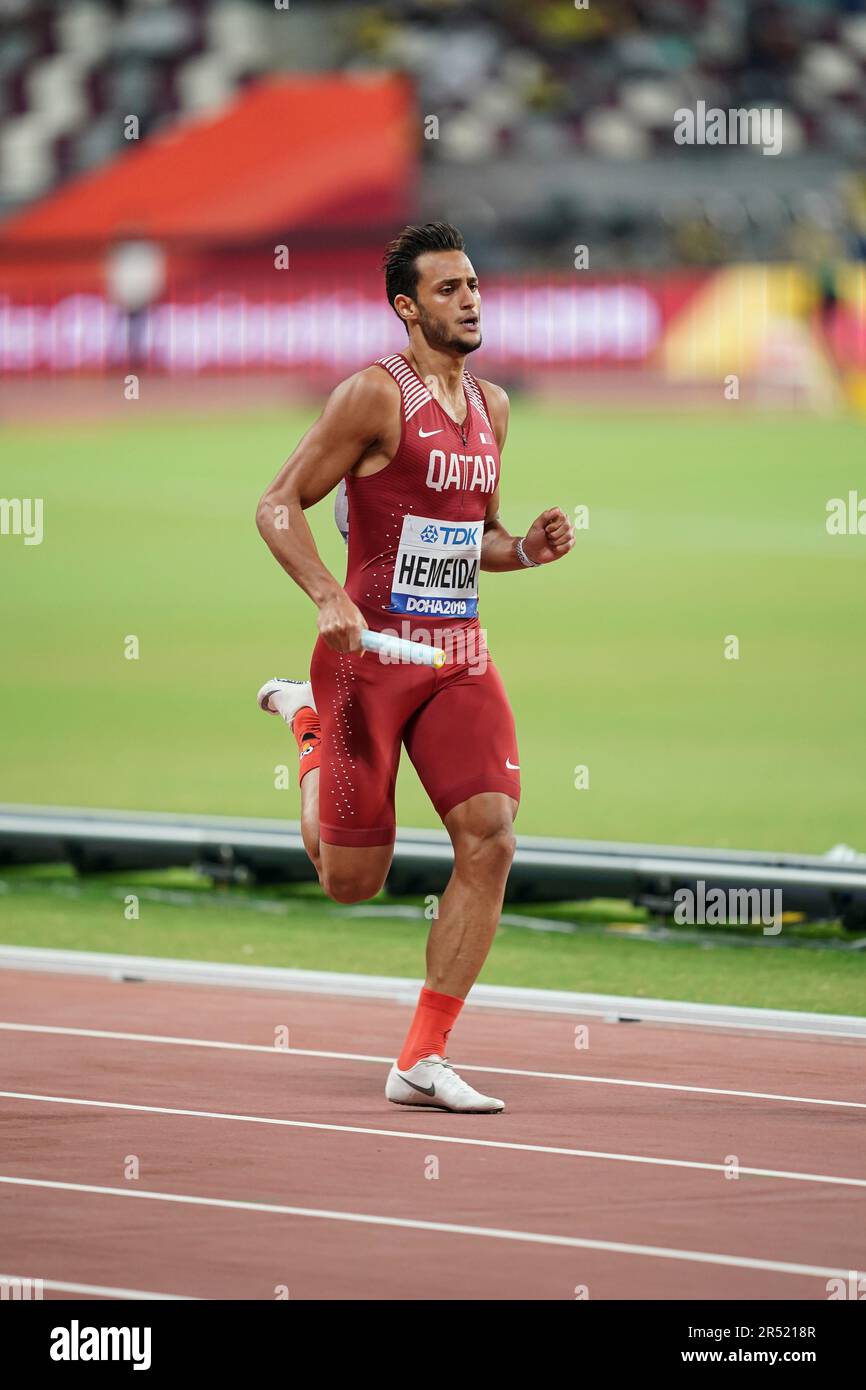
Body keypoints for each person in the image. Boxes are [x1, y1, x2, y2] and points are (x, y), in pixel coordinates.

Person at [255, 222, 574, 1112]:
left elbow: (473, 544)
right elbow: (277, 505)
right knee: (354, 882)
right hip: (367, 662)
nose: (470, 299)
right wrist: (327, 594)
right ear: (406, 307)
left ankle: (420, 1059)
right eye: (448, 289)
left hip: (459, 654)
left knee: (494, 836)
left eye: (473, 284)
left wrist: (529, 551)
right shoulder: (373, 396)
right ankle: (307, 728)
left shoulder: (495, 408)